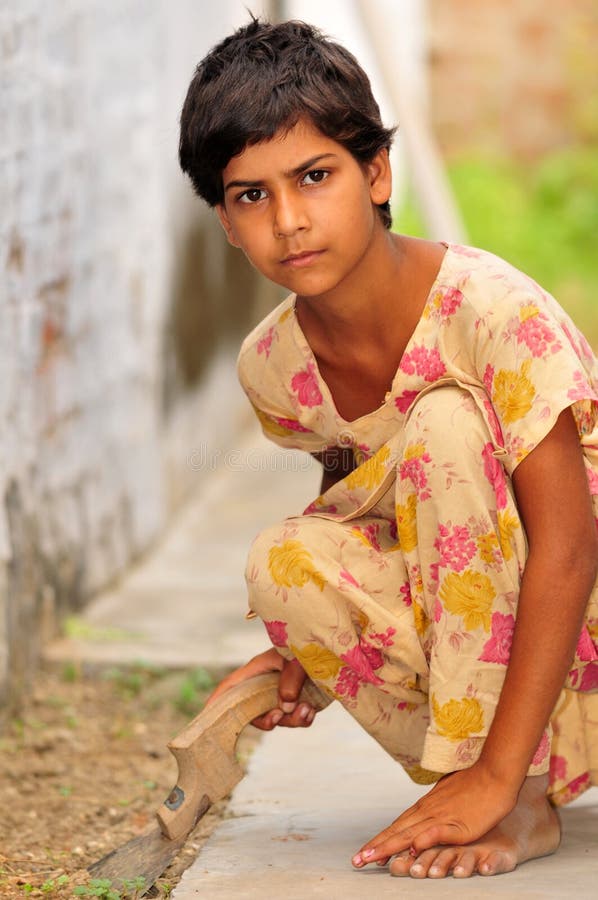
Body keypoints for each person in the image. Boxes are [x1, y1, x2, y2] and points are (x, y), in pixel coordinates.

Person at [178, 17, 598, 880]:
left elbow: (569, 546)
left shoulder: (494, 314)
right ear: (224, 221)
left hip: (576, 628)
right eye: (251, 196)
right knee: (284, 563)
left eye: (315, 176)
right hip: (498, 668)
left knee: (445, 425)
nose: (289, 220)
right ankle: (485, 784)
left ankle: (507, 789)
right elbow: (369, 514)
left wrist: (498, 771)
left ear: (376, 173)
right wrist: (307, 649)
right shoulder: (273, 367)